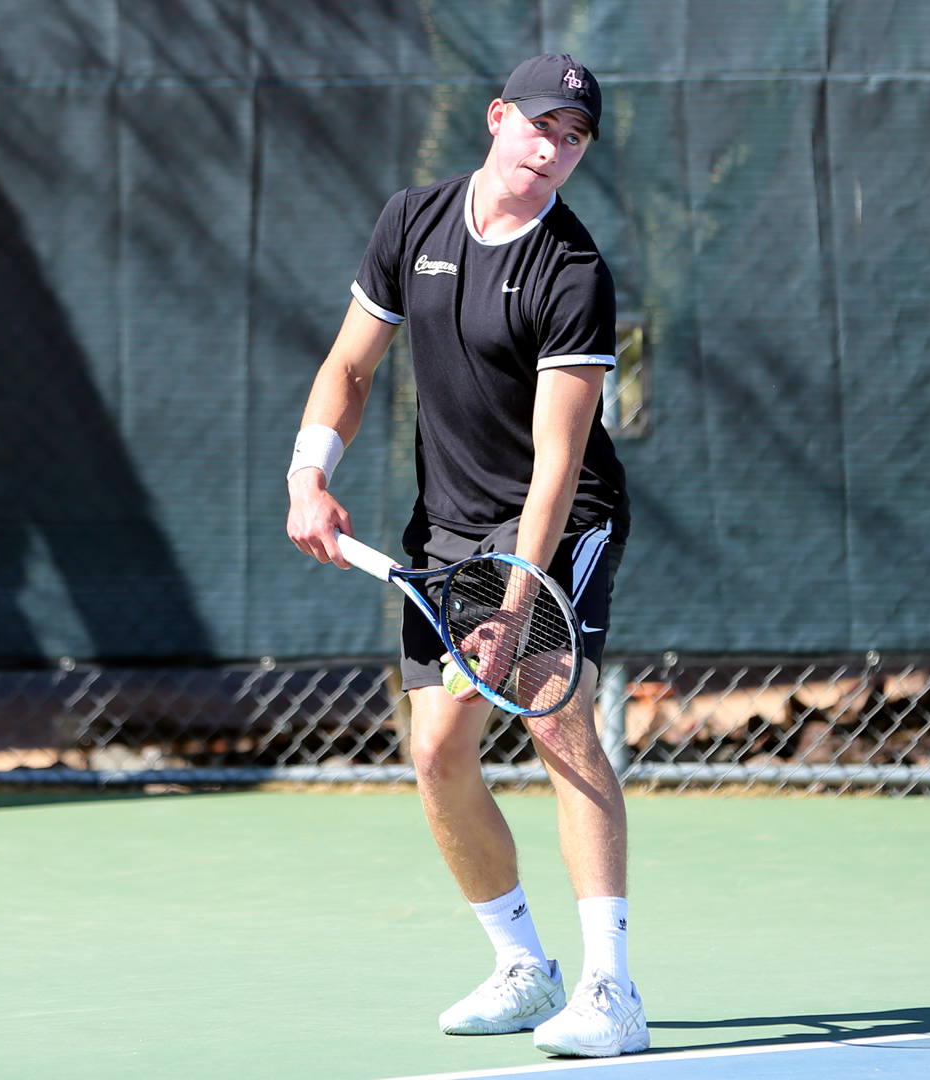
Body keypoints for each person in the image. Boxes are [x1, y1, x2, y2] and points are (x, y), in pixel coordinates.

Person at [284, 53, 644, 1059]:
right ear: (496, 119)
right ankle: (526, 969)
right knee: (438, 752)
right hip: (445, 530)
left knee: (559, 723)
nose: (552, 148)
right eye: (539, 125)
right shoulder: (414, 222)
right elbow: (351, 366)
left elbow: (560, 461)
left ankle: (613, 991)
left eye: (573, 139)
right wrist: (308, 471)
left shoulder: (572, 274)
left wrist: (523, 600)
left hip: (555, 520)